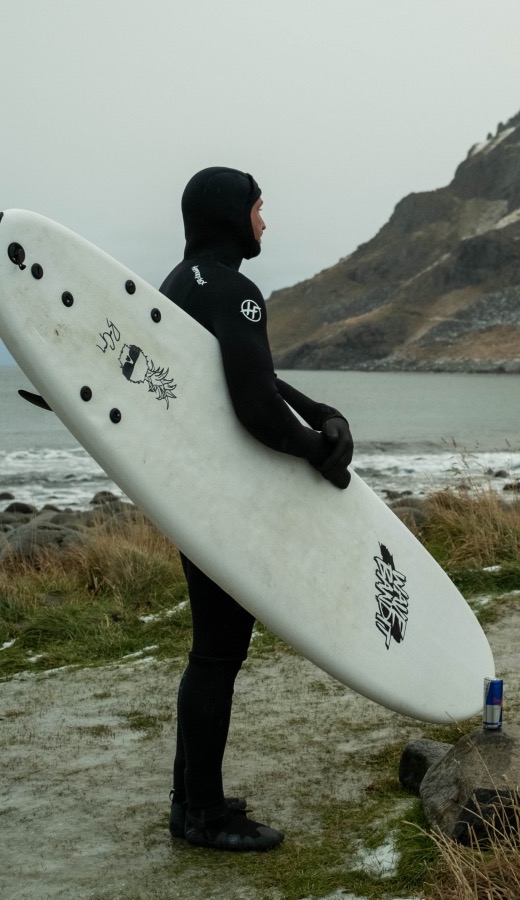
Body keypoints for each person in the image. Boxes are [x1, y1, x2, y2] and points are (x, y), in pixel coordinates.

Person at [158, 166, 353, 852]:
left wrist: (316, 411)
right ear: (229, 215)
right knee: (217, 654)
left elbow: (249, 376)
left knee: (210, 651)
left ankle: (192, 800)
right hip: (223, 499)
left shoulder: (181, 283)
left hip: (188, 489)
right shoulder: (238, 290)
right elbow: (254, 405)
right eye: (258, 209)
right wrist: (316, 451)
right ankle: (204, 817)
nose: (265, 223)